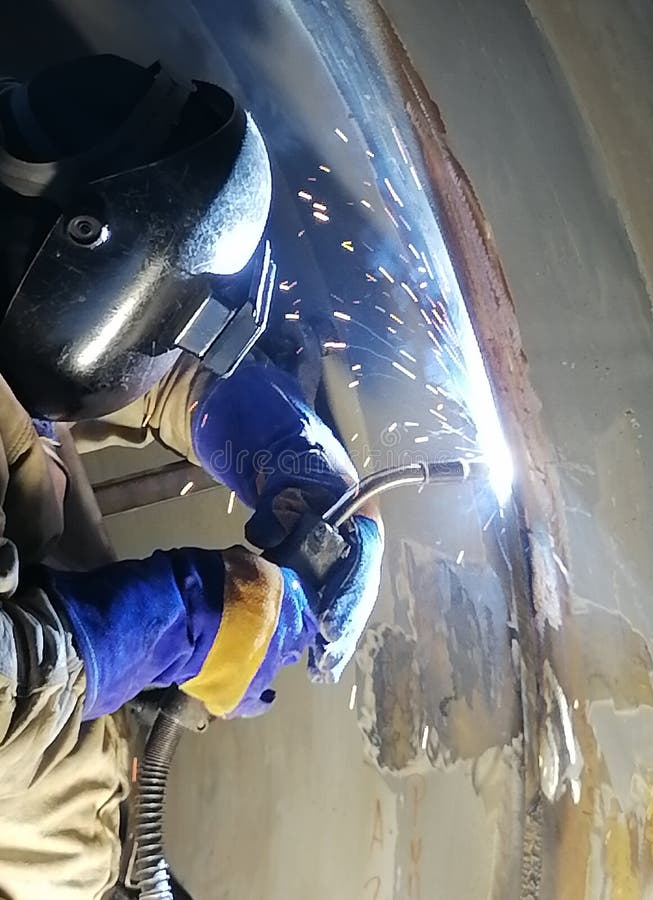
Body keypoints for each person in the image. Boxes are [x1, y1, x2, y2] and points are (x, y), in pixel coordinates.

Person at [0, 55, 383, 899]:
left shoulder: (17, 279)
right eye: (157, 324)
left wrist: (276, 440)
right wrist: (177, 619)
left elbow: (86, 362)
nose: (160, 347)